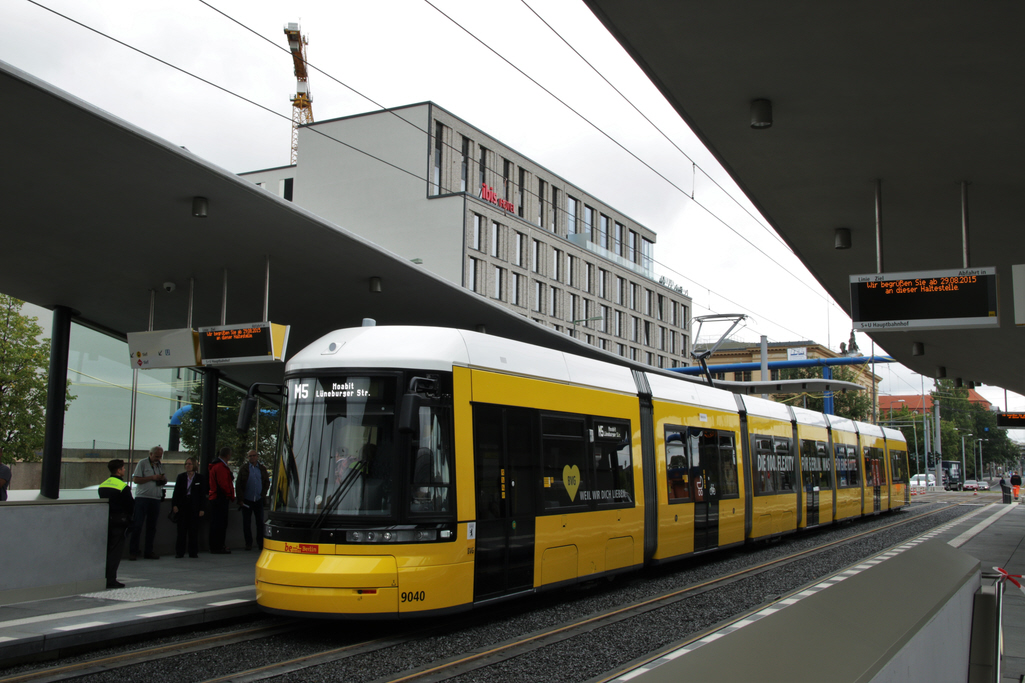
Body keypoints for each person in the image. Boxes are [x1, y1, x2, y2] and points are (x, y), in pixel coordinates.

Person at [98, 459, 134, 588]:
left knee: (106, 550)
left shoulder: (102, 485)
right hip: (120, 521)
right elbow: (130, 505)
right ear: (118, 470)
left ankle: (102, 577)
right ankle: (111, 579)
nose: (124, 470)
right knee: (115, 551)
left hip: (106, 520)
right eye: (123, 468)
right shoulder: (122, 487)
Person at [130, 445, 167, 560]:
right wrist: (152, 477)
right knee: (137, 525)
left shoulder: (160, 465)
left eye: (160, 456)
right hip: (142, 498)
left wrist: (162, 479)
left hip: (155, 498)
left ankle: (149, 551)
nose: (158, 458)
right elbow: (136, 479)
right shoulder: (142, 463)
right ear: (150, 454)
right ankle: (133, 551)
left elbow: (161, 478)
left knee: (152, 527)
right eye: (156, 456)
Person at [171, 456, 206, 558]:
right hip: (183, 505)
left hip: (194, 505)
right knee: (181, 530)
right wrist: (175, 505)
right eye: (186, 464)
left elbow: (202, 495)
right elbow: (176, 492)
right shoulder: (181, 477)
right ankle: (179, 552)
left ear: (194, 465)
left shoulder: (200, 478)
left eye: (190, 464)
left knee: (193, 530)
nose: (188, 466)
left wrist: (202, 508)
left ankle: (193, 551)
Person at [236, 449, 270, 551]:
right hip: (247, 499)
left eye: (254, 456)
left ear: (257, 456)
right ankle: (248, 544)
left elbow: (266, 482)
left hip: (258, 499)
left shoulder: (262, 469)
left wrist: (263, 494)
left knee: (260, 523)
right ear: (248, 458)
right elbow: (238, 484)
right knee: (246, 523)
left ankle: (260, 543)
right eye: (250, 456)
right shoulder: (244, 469)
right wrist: (240, 499)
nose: (252, 458)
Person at [207, 446, 235, 554]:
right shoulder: (221, 467)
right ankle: (218, 546)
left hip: (215, 497)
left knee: (215, 523)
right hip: (220, 498)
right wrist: (230, 495)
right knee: (220, 524)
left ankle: (214, 545)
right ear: (228, 455)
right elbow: (223, 484)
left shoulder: (215, 466)